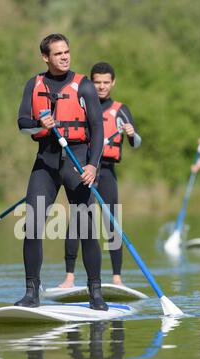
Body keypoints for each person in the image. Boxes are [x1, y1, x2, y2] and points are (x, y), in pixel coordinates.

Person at [16, 34, 108, 310]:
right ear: (46, 57)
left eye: (67, 51)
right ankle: (32, 293)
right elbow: (22, 124)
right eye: (58, 54)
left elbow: (98, 130)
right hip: (45, 161)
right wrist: (39, 123)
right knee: (32, 226)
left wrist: (93, 165)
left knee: (86, 228)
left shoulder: (84, 86)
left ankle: (96, 292)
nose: (65, 57)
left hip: (77, 161)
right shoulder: (34, 84)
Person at [59, 62, 142, 288]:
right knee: (78, 219)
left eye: (106, 82)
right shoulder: (81, 105)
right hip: (84, 168)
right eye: (97, 82)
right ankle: (69, 277)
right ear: (90, 83)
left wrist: (132, 134)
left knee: (111, 221)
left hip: (105, 171)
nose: (102, 87)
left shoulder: (121, 109)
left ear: (112, 83)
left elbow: (136, 143)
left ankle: (117, 278)